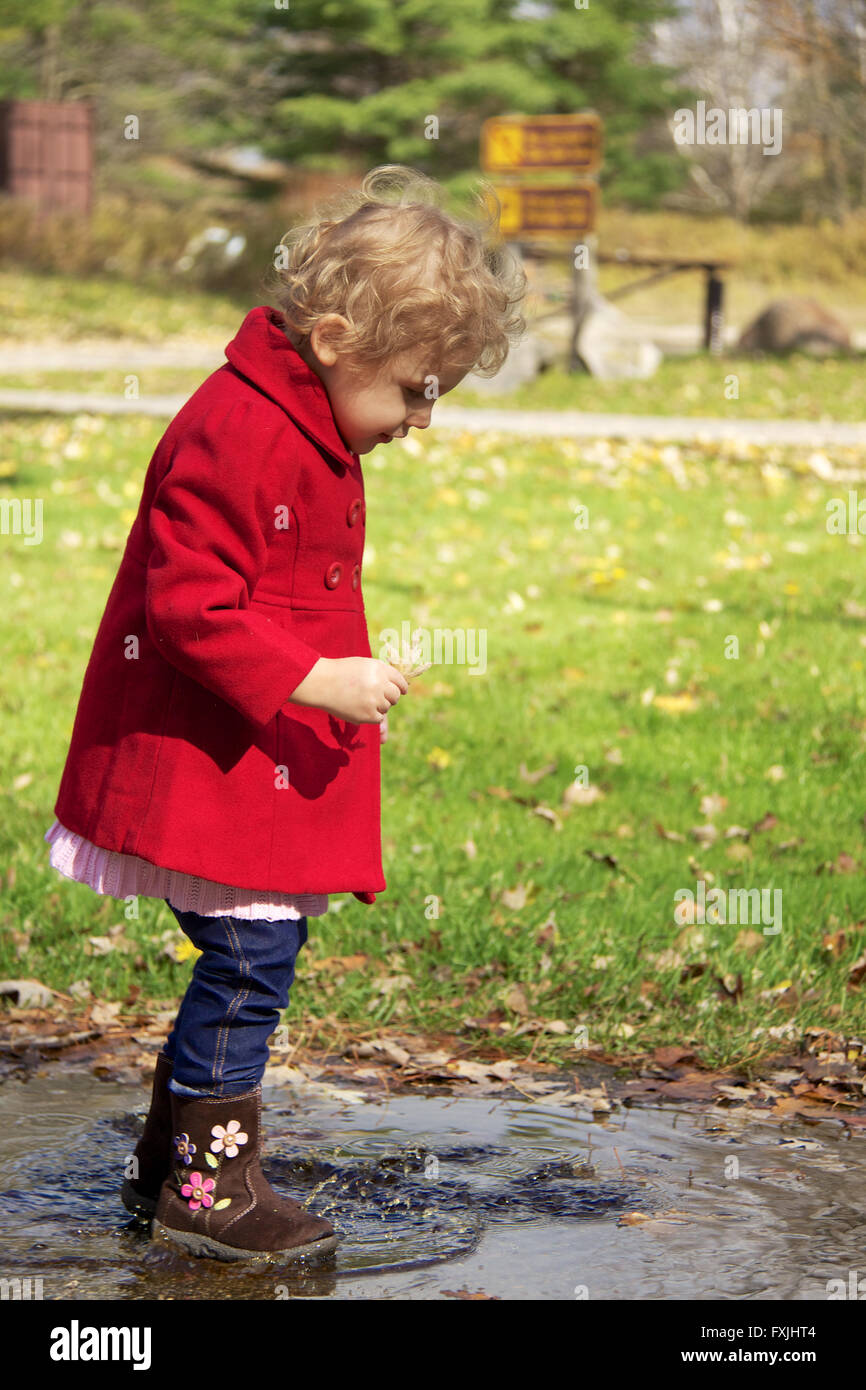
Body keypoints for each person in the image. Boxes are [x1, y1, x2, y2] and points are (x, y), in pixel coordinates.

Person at [44, 164, 526, 1263]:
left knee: (243, 957)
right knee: (250, 962)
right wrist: (318, 680)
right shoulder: (243, 427)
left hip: (240, 762)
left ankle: (172, 1167)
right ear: (336, 337)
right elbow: (188, 602)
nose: (422, 418)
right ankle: (206, 1193)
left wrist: (338, 673)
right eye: (414, 387)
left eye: (436, 392)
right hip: (197, 765)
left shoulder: (300, 422)